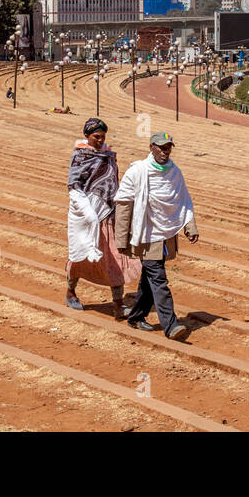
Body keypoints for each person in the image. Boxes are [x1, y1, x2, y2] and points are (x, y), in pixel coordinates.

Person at [114, 133, 198, 341]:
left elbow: (183, 200)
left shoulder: (174, 172)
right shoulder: (138, 172)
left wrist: (190, 227)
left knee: (150, 277)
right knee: (158, 278)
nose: (165, 151)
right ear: (151, 147)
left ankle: (135, 316)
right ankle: (170, 325)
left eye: (168, 147)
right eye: (161, 147)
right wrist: (121, 240)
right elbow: (124, 206)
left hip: (166, 234)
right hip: (146, 234)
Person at [66, 117, 140, 315]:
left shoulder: (108, 155)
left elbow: (113, 182)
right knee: (80, 256)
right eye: (96, 137)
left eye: (102, 137)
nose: (100, 140)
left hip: (109, 213)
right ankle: (70, 291)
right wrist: (89, 213)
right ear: (86, 136)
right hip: (87, 216)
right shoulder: (80, 156)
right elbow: (74, 186)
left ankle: (118, 304)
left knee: (115, 257)